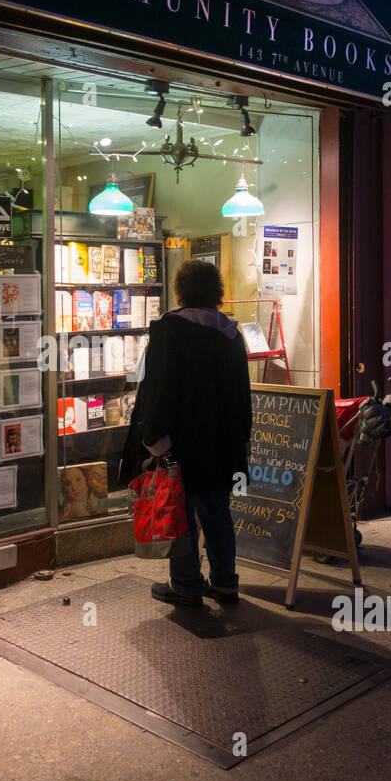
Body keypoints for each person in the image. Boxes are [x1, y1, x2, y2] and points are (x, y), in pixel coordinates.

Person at [120, 258, 252, 608]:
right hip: (223, 443)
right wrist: (242, 439)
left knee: (181, 514)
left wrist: (153, 438)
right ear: (217, 292)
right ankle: (225, 584)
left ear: (181, 290)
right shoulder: (231, 333)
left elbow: (159, 388)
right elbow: (242, 392)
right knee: (218, 513)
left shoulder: (169, 330)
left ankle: (186, 585)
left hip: (181, 442)